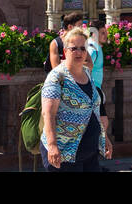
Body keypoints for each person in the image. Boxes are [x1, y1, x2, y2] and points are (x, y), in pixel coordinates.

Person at [40, 26, 113, 173]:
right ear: (65, 51)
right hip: (64, 152)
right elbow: (48, 114)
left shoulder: (86, 72)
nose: (79, 52)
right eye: (74, 48)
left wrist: (104, 139)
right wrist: (53, 145)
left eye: (83, 48)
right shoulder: (57, 77)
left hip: (89, 151)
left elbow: (93, 110)